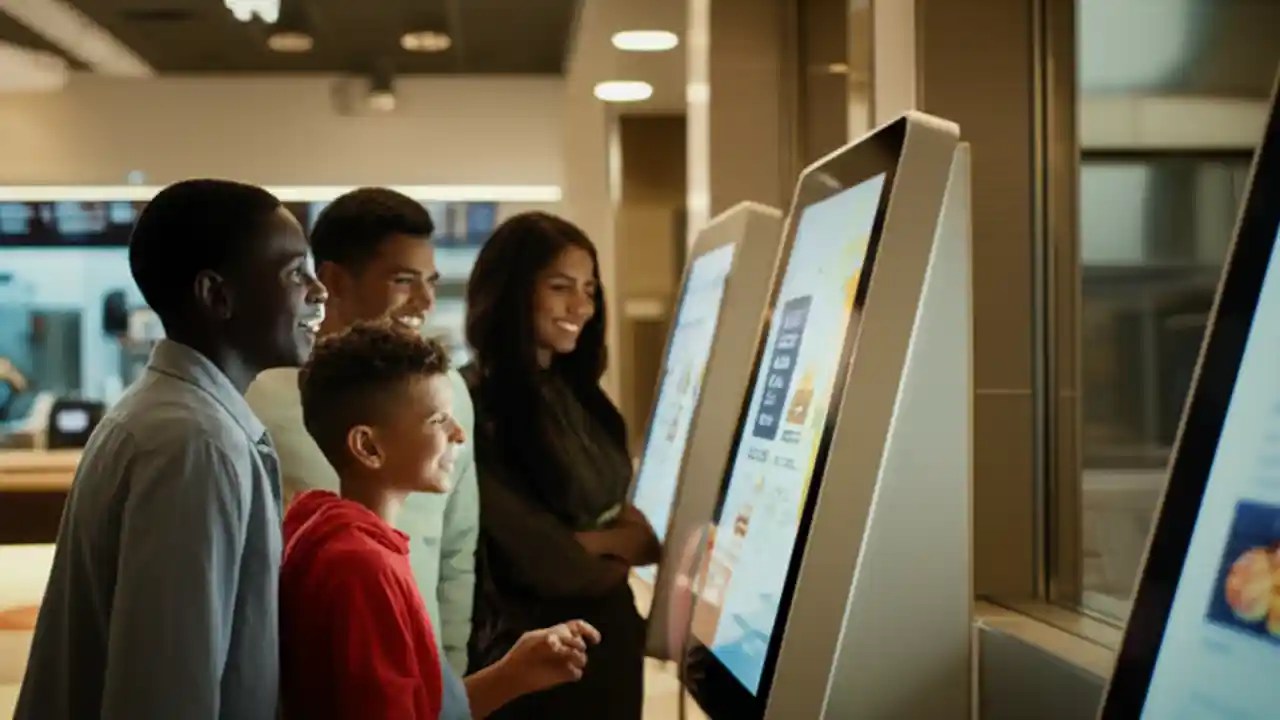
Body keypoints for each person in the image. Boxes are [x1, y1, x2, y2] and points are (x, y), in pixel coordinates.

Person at [15, 179, 328, 719]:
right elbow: (165, 691)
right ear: (217, 295)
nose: (318, 291)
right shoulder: (194, 443)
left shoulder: (183, 418)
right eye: (294, 272)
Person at [282, 320, 601, 719]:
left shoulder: (345, 542)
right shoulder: (362, 568)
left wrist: (512, 674)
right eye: (437, 421)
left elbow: (420, 709)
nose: (460, 435)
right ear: (367, 446)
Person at [246, 187, 477, 673]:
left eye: (430, 280)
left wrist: (451, 671)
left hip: (425, 671)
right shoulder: (263, 396)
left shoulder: (448, 391)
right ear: (332, 280)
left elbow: (456, 548)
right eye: (402, 279)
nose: (426, 299)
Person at [463, 211, 660, 719]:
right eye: (560, 286)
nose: (581, 306)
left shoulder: (581, 399)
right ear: (511, 290)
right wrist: (613, 546)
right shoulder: (474, 404)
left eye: (590, 289)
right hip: (538, 665)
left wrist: (595, 544)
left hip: (609, 650)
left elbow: (643, 533)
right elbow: (543, 561)